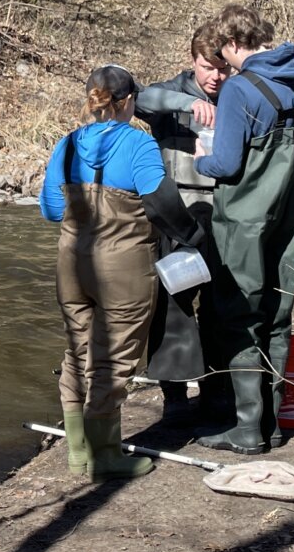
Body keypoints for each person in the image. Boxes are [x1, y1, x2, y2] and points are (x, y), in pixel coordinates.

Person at [39, 65, 207, 479]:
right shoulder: (137, 143)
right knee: (113, 359)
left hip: (72, 263)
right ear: (130, 101)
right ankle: (105, 454)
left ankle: (78, 451)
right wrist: (193, 236)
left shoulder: (67, 145)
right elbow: (161, 203)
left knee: (79, 352)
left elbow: (52, 210)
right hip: (123, 268)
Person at [193, 4, 294, 454]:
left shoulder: (239, 91)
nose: (222, 66)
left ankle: (249, 429)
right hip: (292, 213)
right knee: (277, 312)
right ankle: (272, 424)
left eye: (222, 56)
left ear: (231, 45)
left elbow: (226, 164)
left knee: (241, 316)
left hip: (245, 219)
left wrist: (199, 158)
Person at [136, 27, 230, 422]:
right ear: (193, 61)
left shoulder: (237, 96)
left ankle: (216, 386)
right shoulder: (171, 92)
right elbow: (140, 98)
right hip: (179, 217)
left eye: (223, 69)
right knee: (175, 303)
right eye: (208, 67)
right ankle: (173, 393)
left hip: (226, 214)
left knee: (221, 304)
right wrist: (188, 105)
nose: (215, 77)